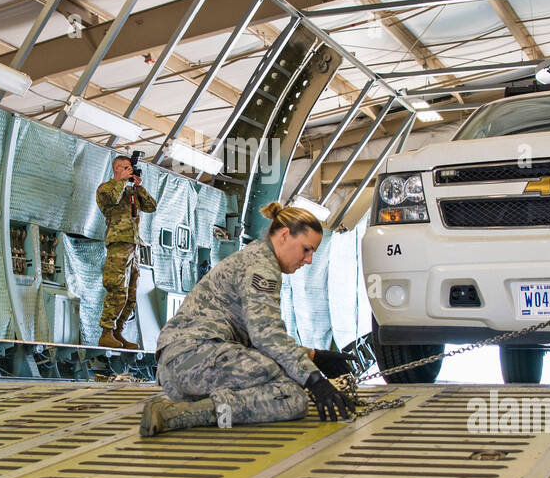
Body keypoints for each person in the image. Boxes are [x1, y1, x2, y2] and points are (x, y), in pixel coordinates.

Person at [141, 202, 357, 437]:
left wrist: (314, 357)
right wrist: (314, 380)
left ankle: (188, 409)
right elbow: (266, 335)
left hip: (185, 363)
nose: (309, 260)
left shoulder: (256, 257)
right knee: (290, 396)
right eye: (306, 249)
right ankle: (176, 416)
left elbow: (256, 337)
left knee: (285, 384)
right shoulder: (261, 266)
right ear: (285, 235)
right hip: (193, 359)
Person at [95, 154, 156, 350]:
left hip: (134, 245)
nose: (130, 171)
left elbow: (151, 206)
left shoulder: (131, 191)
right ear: (117, 169)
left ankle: (118, 332)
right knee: (117, 289)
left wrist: (139, 187)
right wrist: (121, 182)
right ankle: (106, 332)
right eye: (127, 168)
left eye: (131, 168)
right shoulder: (106, 188)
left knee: (131, 294)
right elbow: (111, 199)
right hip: (118, 243)